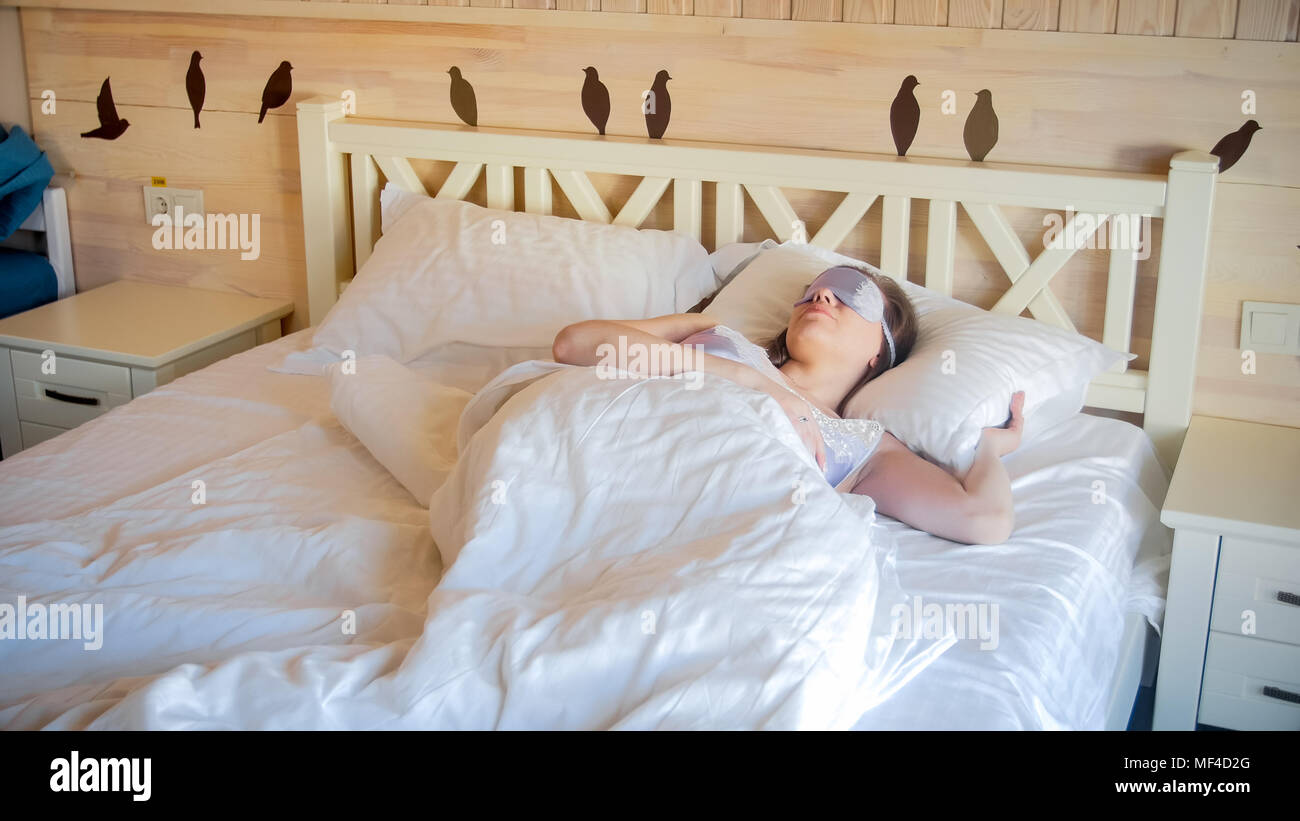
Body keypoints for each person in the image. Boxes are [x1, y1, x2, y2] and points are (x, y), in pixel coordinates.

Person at [552, 264, 1024, 545]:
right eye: (814, 290)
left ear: (879, 350)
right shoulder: (714, 333)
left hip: (689, 524)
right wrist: (750, 380)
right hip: (592, 468)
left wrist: (986, 448)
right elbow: (575, 344)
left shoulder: (867, 448)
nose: (822, 295)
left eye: (849, 297)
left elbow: (984, 520)